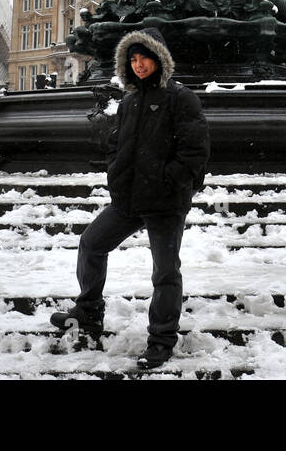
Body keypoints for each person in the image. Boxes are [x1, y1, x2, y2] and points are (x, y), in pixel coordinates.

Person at [50, 28, 209, 369]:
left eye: (144, 58)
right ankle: (89, 312)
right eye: (133, 60)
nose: (138, 65)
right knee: (92, 244)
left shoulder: (181, 98)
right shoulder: (130, 100)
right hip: (129, 198)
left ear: (159, 59)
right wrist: (116, 172)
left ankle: (162, 339)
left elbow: (195, 152)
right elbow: (116, 143)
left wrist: (170, 182)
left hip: (166, 202)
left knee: (165, 272)